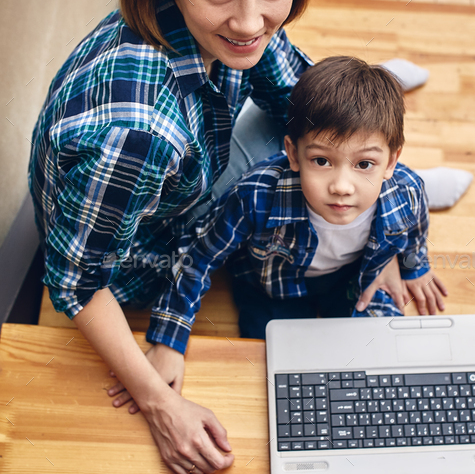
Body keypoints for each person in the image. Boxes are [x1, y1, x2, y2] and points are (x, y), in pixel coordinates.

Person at [28, 0, 465, 474]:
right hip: (151, 237)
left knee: (324, 119)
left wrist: (389, 216)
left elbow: (296, 92)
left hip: (194, 153)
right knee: (306, 166)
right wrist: (159, 404)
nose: (251, 19)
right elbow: (72, 282)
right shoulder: (138, 135)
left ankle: (380, 116)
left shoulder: (227, 21)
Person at [145, 55, 447, 353]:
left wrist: (414, 266)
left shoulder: (407, 190)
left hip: (353, 275)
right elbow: (198, 255)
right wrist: (169, 339)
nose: (341, 187)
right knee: (280, 359)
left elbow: (415, 230)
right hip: (271, 287)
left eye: (365, 164)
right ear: (293, 153)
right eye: (321, 160)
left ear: (392, 160)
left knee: (379, 349)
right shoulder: (256, 195)